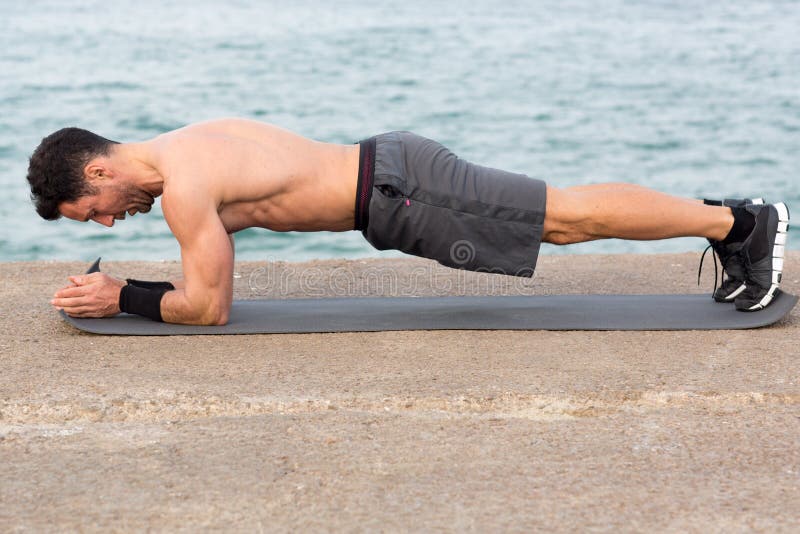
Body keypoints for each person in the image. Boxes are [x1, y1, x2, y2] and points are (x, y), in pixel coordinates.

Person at [27, 118, 790, 325]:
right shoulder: (187, 142)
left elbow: (209, 308)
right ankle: (730, 226)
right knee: (565, 217)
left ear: (99, 170)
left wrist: (119, 296)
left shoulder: (188, 186)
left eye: (90, 210)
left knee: (568, 217)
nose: (105, 224)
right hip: (393, 174)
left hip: (400, 191)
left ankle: (738, 226)